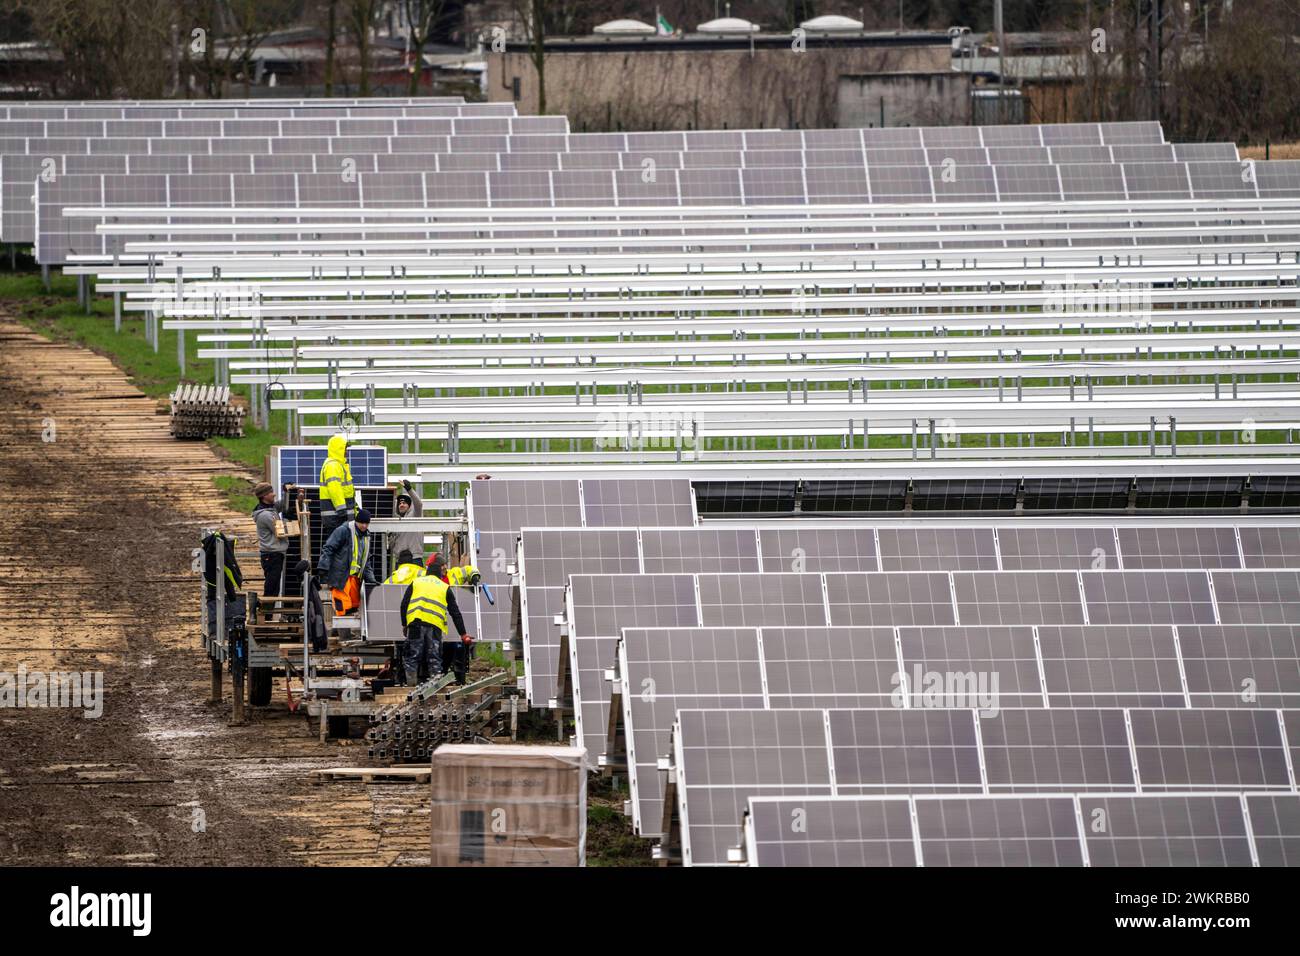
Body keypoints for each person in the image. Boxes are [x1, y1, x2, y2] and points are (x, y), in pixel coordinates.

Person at [399, 560, 471, 687]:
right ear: (439, 575)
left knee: (412, 657)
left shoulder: (416, 582)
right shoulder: (444, 587)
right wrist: (463, 634)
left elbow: (404, 604)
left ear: (427, 573)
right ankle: (435, 686)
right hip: (434, 626)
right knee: (434, 658)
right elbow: (455, 613)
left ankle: (411, 685)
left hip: (415, 623)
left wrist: (405, 624)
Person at [425, 553, 477, 685]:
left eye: (443, 566)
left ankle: (459, 680)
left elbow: (469, 570)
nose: (442, 569)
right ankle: (439, 677)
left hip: (452, 619)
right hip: (437, 618)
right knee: (438, 651)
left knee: (457, 648)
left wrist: (474, 576)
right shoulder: (427, 577)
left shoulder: (454, 574)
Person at [317, 508, 377, 615]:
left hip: (354, 579)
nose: (364, 526)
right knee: (343, 609)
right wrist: (323, 567)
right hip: (340, 578)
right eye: (362, 523)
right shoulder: (344, 531)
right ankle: (343, 630)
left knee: (353, 608)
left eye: (366, 523)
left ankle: (345, 631)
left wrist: (371, 579)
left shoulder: (366, 537)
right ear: (356, 521)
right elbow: (328, 548)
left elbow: (365, 561)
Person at [252, 481, 301, 612]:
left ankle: (266, 614)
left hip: (275, 554)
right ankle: (265, 615)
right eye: (270, 493)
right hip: (271, 555)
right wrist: (290, 519)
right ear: (264, 496)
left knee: (274, 587)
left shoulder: (270, 509)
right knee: (271, 587)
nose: (273, 495)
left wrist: (287, 492)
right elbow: (280, 529)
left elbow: (280, 505)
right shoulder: (265, 515)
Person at [318, 434, 356, 543]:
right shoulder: (333, 465)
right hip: (336, 515)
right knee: (337, 549)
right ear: (338, 449)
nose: (347, 451)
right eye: (345, 448)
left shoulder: (338, 465)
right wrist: (342, 510)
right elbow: (335, 489)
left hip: (338, 515)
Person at [389, 479, 424, 570]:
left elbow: (419, 504)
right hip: (400, 560)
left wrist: (409, 489)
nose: (401, 505)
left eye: (404, 503)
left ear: (409, 505)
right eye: (400, 503)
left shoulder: (415, 515)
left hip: (414, 559)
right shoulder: (396, 522)